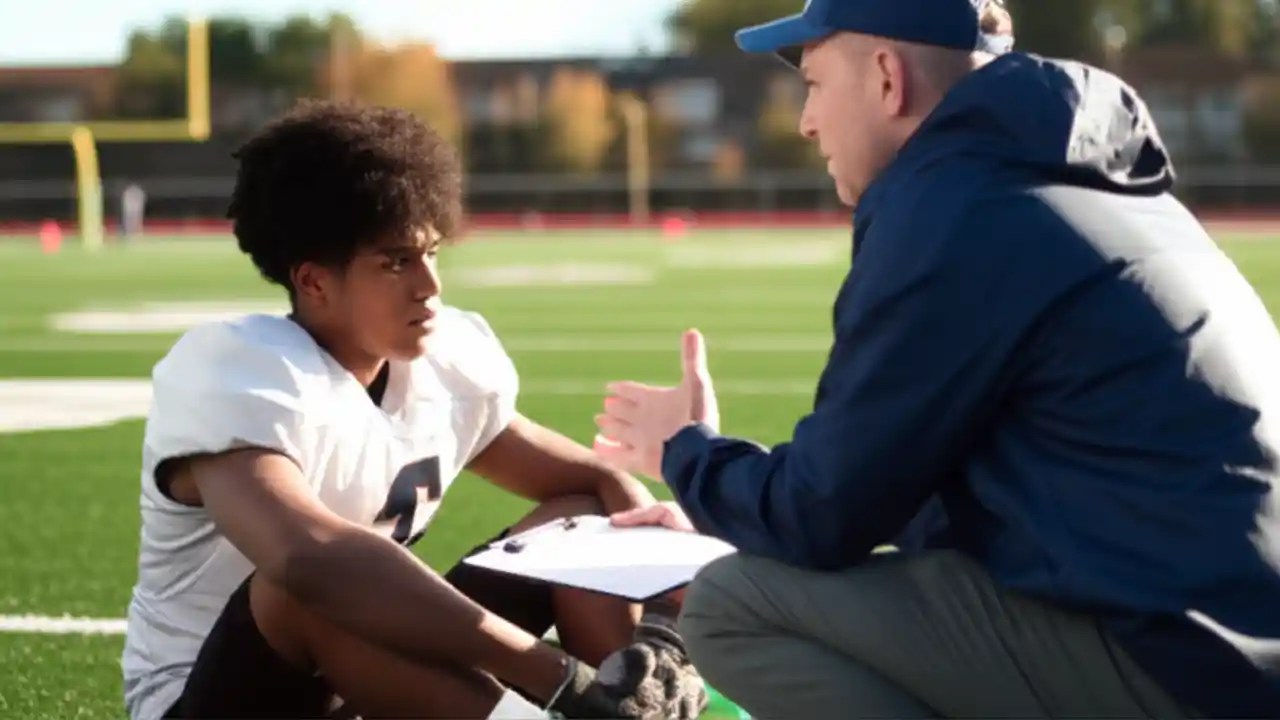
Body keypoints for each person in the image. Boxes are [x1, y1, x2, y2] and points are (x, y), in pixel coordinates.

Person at [595, 0, 1280, 717]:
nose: (806, 121)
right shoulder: (1092, 181)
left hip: (1187, 671)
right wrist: (726, 507)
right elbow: (929, 494)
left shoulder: (954, 206)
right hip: (1230, 643)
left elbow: (822, 517)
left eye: (815, 84)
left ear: (888, 79)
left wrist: (691, 455)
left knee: (733, 605)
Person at [121, 100, 707, 720]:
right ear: (314, 283)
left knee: (581, 522)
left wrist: (658, 628)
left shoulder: (442, 365)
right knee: (308, 587)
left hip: (373, 681)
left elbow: (595, 482)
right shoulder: (240, 371)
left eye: (431, 254)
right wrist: (559, 677)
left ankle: (642, 711)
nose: (429, 286)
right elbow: (308, 563)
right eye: (396, 261)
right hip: (224, 699)